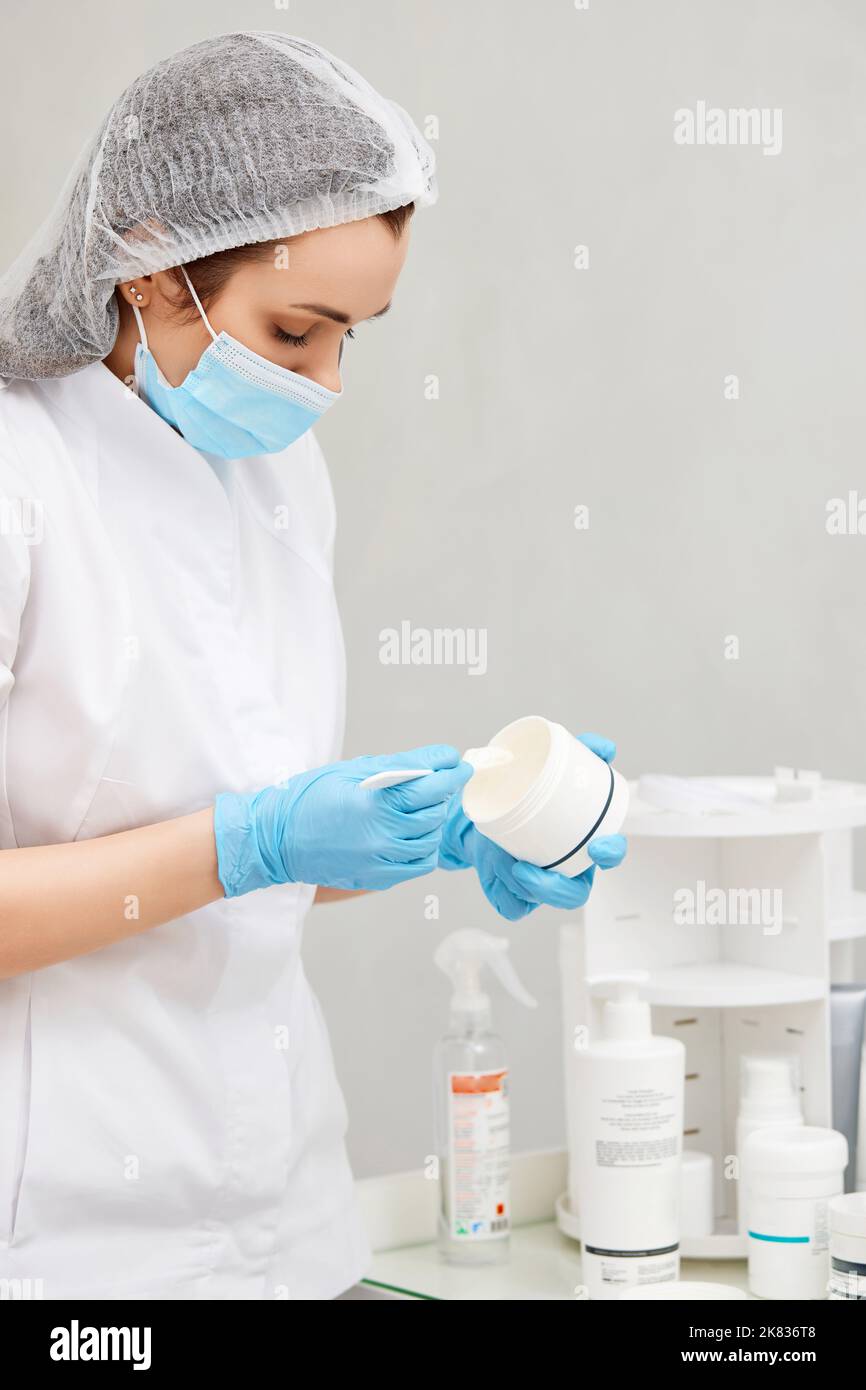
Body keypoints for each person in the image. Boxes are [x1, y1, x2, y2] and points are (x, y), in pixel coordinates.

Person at [0, 32, 626, 1299]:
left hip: (291, 1213)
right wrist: (256, 841)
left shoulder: (277, 473)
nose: (326, 385)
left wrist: (433, 827)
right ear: (151, 262)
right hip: (70, 1244)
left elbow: (260, 844)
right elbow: (240, 841)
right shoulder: (21, 475)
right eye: (296, 330)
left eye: (357, 336)